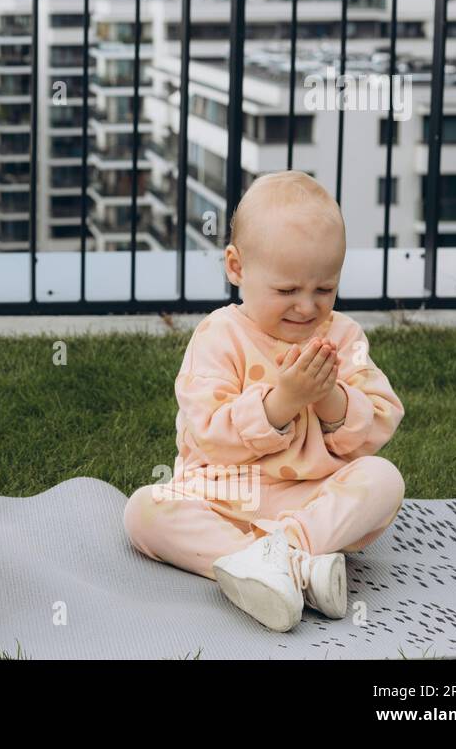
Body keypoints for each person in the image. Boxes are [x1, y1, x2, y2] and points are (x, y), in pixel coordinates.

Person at [123, 170, 406, 632]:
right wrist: (282, 403)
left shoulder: (343, 336)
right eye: (287, 290)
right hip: (222, 494)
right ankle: (299, 569)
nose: (308, 307)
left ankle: (276, 560)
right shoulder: (219, 335)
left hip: (309, 499)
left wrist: (330, 398)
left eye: (324, 289)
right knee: (144, 510)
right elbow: (209, 435)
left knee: (383, 479)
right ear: (236, 267)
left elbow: (377, 422)